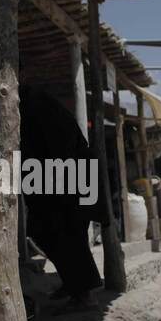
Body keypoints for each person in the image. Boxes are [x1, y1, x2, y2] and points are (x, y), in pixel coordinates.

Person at [19, 86, 102, 307]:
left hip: (65, 179)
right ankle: (75, 285)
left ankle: (83, 293)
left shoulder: (36, 103)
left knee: (63, 233)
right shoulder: (36, 103)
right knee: (59, 233)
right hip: (61, 179)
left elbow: (57, 146)